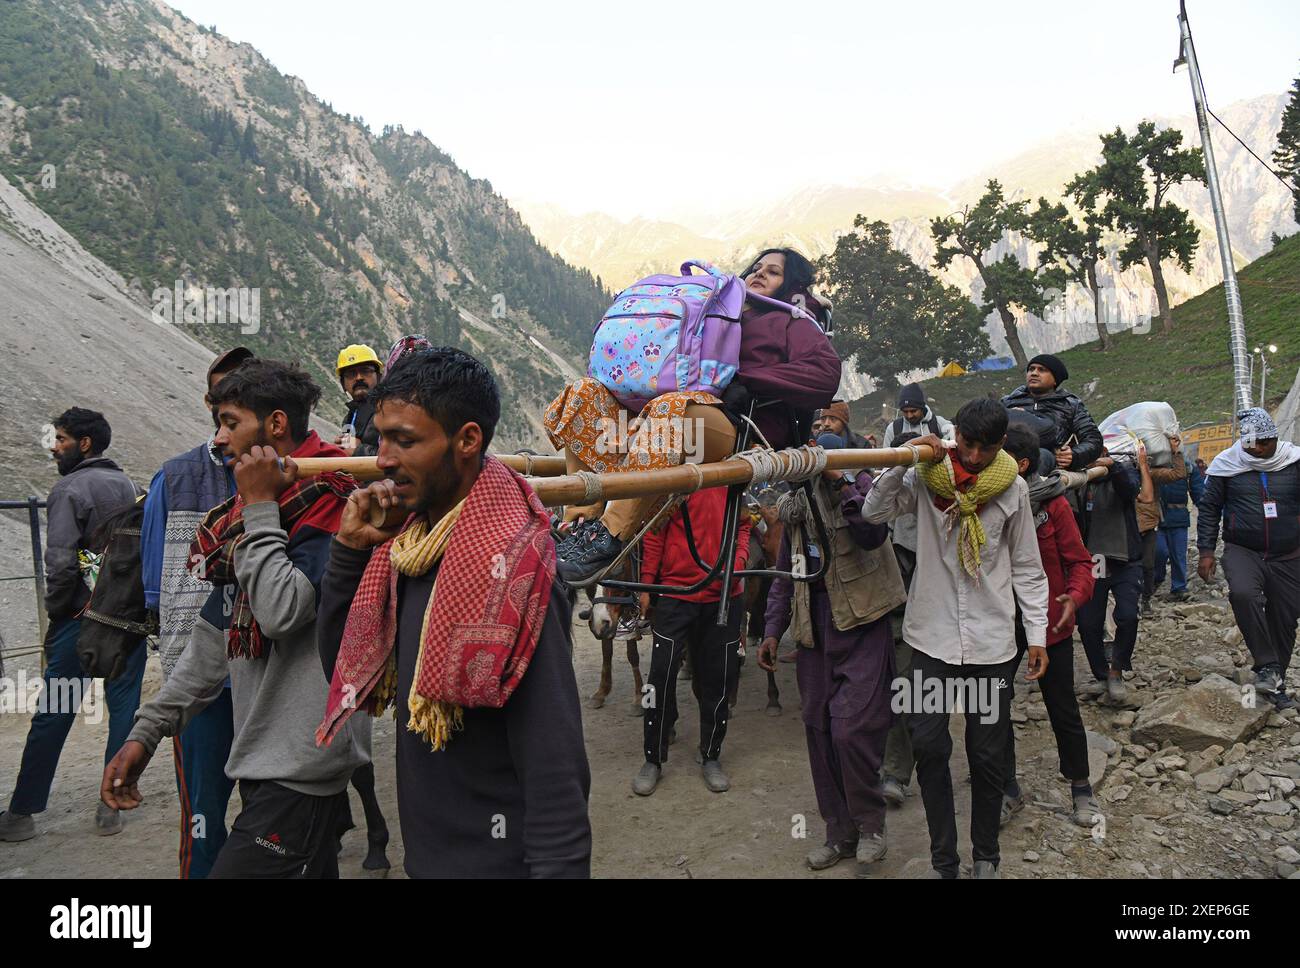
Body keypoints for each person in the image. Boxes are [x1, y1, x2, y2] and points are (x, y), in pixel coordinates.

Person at [316, 347, 592, 877]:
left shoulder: (519, 570)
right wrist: (348, 553)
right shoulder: (401, 548)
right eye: (381, 438)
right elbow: (343, 671)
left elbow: (554, 766)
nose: (383, 460)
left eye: (406, 440)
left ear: (467, 440)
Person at [101, 361, 371, 878]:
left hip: (304, 767)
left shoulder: (337, 502)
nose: (219, 439)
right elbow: (212, 641)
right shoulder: (254, 516)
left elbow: (281, 612)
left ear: (274, 426)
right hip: (269, 764)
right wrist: (147, 732)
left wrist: (259, 507)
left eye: (230, 422)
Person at [545, 248, 841, 583]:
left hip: (740, 427)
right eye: (755, 268)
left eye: (773, 272)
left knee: (672, 409)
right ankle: (579, 523)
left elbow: (824, 375)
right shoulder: (719, 312)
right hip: (666, 417)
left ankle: (609, 536)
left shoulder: (792, 320)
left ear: (793, 286)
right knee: (583, 393)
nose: (759, 274)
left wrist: (748, 381)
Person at [862, 398, 1049, 879]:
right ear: (955, 434)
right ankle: (945, 860)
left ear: (1001, 445)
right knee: (928, 746)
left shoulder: (1014, 489)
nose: (974, 457)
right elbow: (873, 512)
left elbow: (1028, 567)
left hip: (990, 643)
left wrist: (1037, 635)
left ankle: (985, 855)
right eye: (967, 444)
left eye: (986, 449)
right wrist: (906, 457)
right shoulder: (927, 474)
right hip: (931, 638)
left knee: (987, 755)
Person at [759, 432, 906, 875]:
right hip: (814, 630)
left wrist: (840, 481)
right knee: (818, 731)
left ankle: (871, 827)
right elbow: (786, 575)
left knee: (851, 731)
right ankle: (839, 833)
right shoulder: (798, 510)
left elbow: (870, 531)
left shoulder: (863, 488)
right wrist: (771, 630)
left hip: (861, 624)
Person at [0, 409, 145, 843]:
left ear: (84, 444)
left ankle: (22, 813)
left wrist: (59, 612)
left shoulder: (69, 490)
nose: (54, 446)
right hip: (128, 621)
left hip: (80, 623)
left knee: (56, 710)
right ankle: (111, 804)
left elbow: (61, 563)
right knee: (124, 709)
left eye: (61, 439)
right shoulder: (132, 489)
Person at [140, 345, 252, 876]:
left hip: (264, 679)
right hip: (198, 679)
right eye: (223, 398)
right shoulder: (176, 476)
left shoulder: (298, 475)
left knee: (271, 815)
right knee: (203, 814)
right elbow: (153, 583)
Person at [999, 425, 1101, 829]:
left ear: (1020, 464)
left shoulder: (1052, 505)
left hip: (1049, 621)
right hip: (1001, 623)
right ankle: (1006, 788)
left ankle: (1080, 786)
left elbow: (1080, 561)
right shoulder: (984, 499)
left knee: (1062, 706)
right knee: (992, 707)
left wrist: (1074, 597)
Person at [632, 486, 752, 796]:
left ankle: (711, 755)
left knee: (718, 677)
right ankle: (653, 759)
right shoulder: (675, 479)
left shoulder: (732, 476)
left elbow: (743, 525)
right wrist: (647, 585)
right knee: (659, 677)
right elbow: (654, 532)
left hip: (723, 595)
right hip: (677, 593)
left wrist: (737, 564)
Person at [878, 387, 954, 807]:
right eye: (903, 407)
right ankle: (891, 768)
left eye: (913, 407)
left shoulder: (943, 429)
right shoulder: (894, 432)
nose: (908, 412)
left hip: (934, 543)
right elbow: (882, 495)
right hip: (904, 536)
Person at [1197, 408, 1300, 711]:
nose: (1256, 450)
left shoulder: (1294, 461)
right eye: (1250, 444)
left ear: (1274, 438)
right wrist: (1206, 551)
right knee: (1243, 594)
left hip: (1290, 553)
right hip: (1243, 549)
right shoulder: (1226, 465)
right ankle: (1266, 664)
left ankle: (1275, 684)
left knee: (1284, 618)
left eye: (1263, 444)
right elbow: (1209, 509)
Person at [1071, 446, 1149, 704]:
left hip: (1125, 559)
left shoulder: (1121, 474)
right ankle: (1101, 674)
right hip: (1094, 563)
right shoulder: (1080, 481)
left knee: (1127, 615)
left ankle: (1117, 669)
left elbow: (1131, 490)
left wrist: (1113, 465)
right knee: (1089, 624)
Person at [1000, 354, 1102, 472]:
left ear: (1055, 379)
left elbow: (1093, 439)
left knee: (1041, 456)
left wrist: (1074, 455)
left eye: (1042, 370)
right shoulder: (1008, 401)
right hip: (1003, 453)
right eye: (1031, 369)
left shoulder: (1070, 405)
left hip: (1047, 458)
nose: (1034, 373)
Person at [1137, 436, 1186, 614]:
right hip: (1125, 526)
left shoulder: (1152, 473)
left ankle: (1146, 598)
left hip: (1148, 525)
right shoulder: (1121, 472)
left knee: (1151, 562)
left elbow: (1178, 474)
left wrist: (1175, 452)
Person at [1154, 450, 1205, 602]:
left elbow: (1199, 493)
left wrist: (1207, 511)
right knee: (1159, 552)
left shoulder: (1188, 467)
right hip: (1155, 517)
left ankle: (1178, 588)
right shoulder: (1151, 464)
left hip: (1179, 517)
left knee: (1178, 555)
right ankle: (1156, 580)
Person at [334, 344, 384, 457]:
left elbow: (402, 457)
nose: (359, 377)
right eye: (351, 374)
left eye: (365, 371)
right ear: (343, 384)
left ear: (379, 377)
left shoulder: (389, 410)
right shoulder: (350, 417)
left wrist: (359, 451)